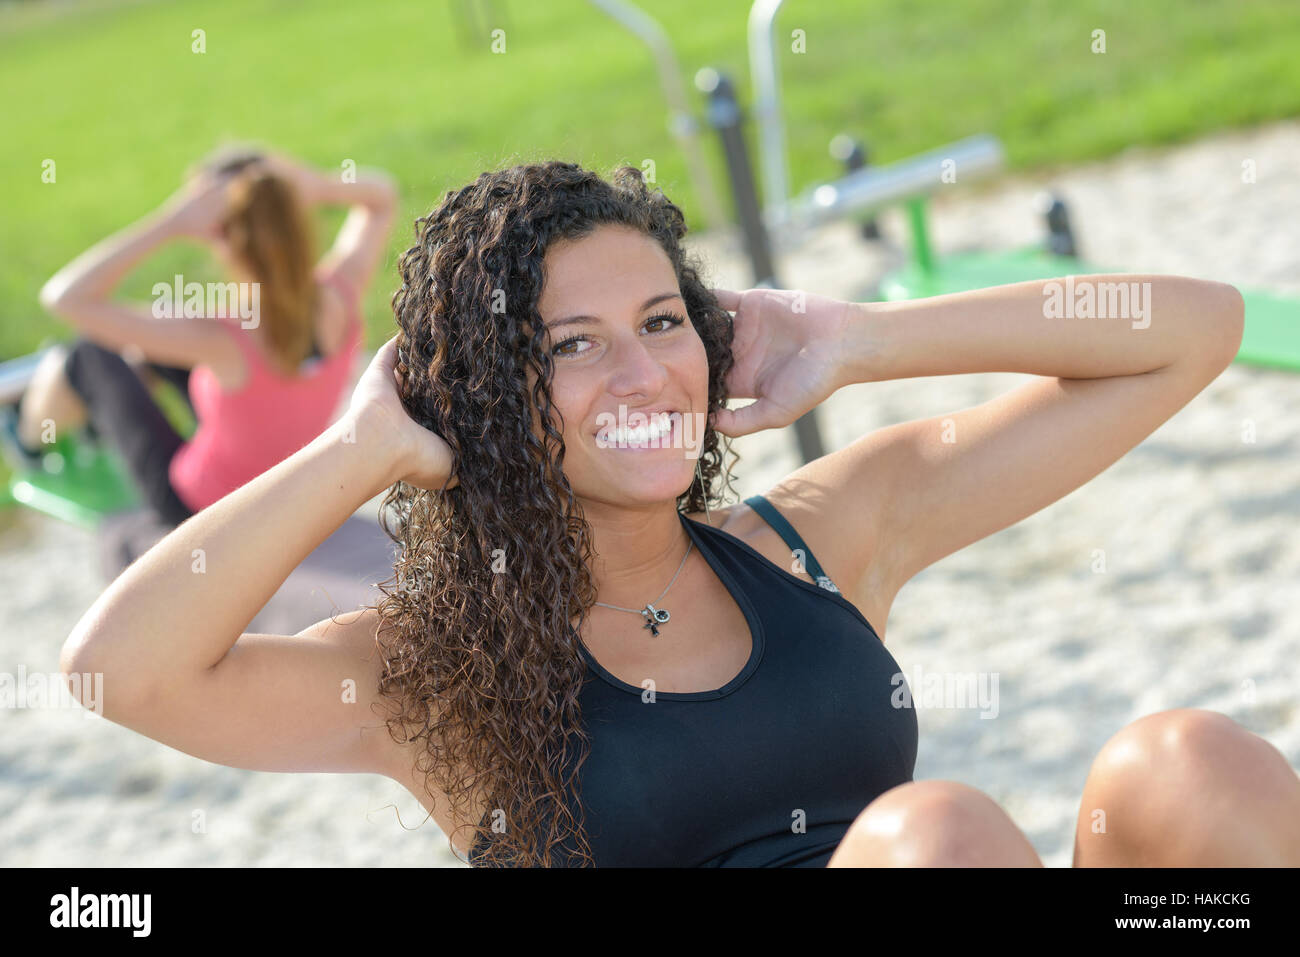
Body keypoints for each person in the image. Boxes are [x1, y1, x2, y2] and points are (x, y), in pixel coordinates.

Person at [60, 161, 1300, 868]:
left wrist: (861, 340)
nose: (644, 375)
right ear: (485, 399)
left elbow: (1192, 334)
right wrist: (353, 452)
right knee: (941, 834)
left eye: (662, 323)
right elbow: (119, 675)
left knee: (1184, 767)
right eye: (573, 347)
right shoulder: (422, 675)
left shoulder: (819, 538)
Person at [9, 147, 397, 525]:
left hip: (200, 510)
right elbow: (382, 197)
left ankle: (26, 442)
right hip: (275, 482)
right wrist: (317, 184)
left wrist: (170, 221)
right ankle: (95, 418)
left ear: (219, 235)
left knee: (86, 354)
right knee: (152, 346)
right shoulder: (342, 292)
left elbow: (65, 299)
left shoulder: (223, 336)